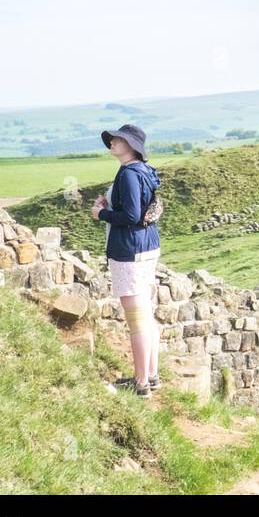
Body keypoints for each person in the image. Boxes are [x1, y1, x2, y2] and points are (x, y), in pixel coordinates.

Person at [92, 123, 162, 397]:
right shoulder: (142, 171)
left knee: (136, 319)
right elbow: (137, 208)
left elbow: (131, 217)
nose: (112, 142)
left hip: (129, 252)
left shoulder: (129, 174)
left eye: (118, 139)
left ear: (132, 146)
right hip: (147, 246)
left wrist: (102, 215)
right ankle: (152, 376)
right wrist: (112, 205)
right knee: (145, 313)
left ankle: (141, 383)